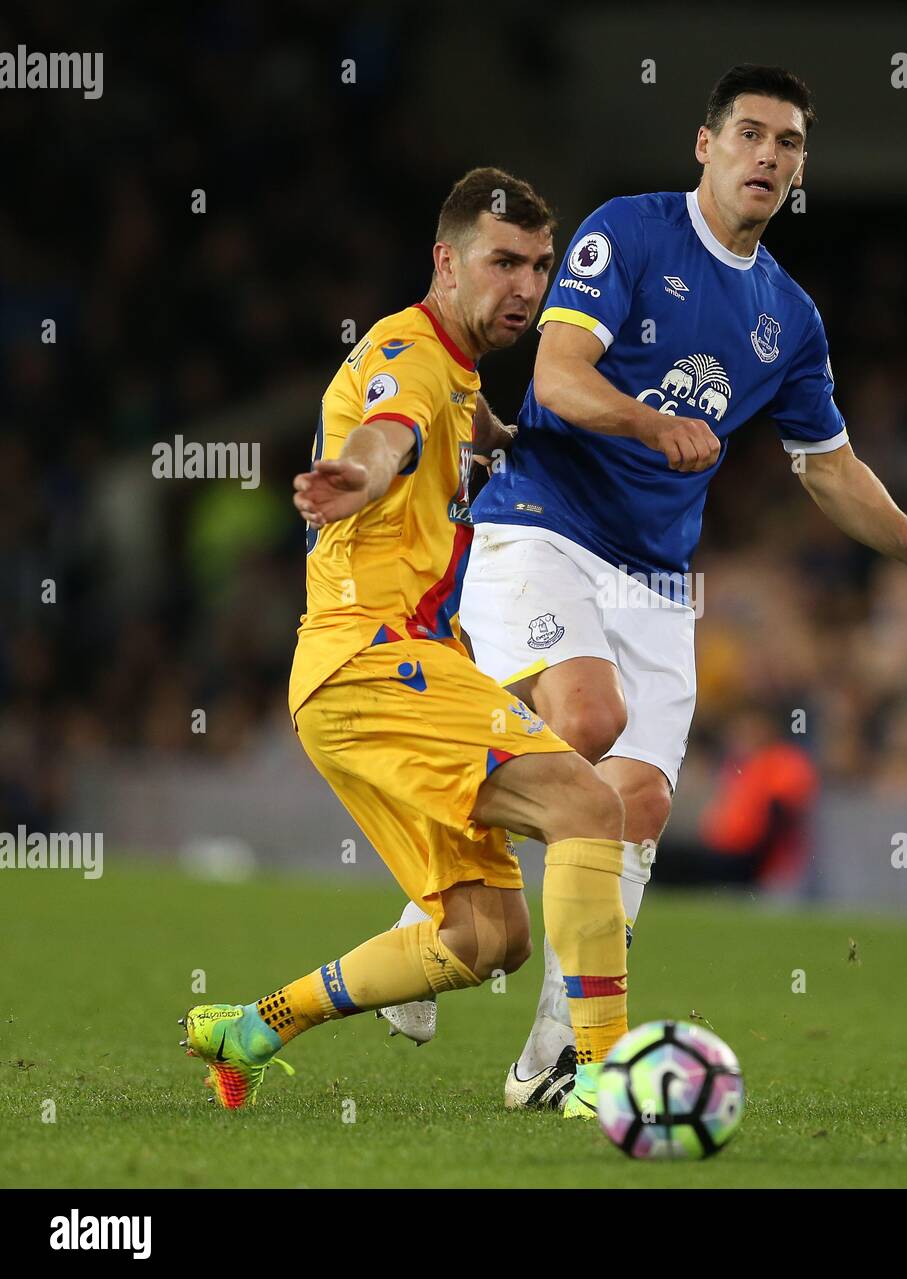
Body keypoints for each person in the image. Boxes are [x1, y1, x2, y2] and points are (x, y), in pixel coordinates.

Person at [387, 66, 907, 1109]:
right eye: (750, 134)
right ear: (704, 146)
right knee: (583, 717)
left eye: (789, 143)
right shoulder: (628, 233)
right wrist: (647, 420)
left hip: (656, 577)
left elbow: (826, 464)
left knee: (642, 804)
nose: (769, 156)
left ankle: (551, 1053)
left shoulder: (789, 317)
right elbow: (560, 376)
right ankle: (436, 891)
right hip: (541, 523)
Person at [181, 168, 633, 1119]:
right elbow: (392, 428)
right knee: (589, 804)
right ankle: (605, 1076)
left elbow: (461, 427)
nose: (528, 287)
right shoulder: (411, 349)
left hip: (358, 677)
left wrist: (523, 439)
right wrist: (360, 470)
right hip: (373, 656)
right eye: (503, 262)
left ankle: (254, 1026)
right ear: (447, 261)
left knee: (485, 936)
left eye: (542, 267)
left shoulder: (460, 381)